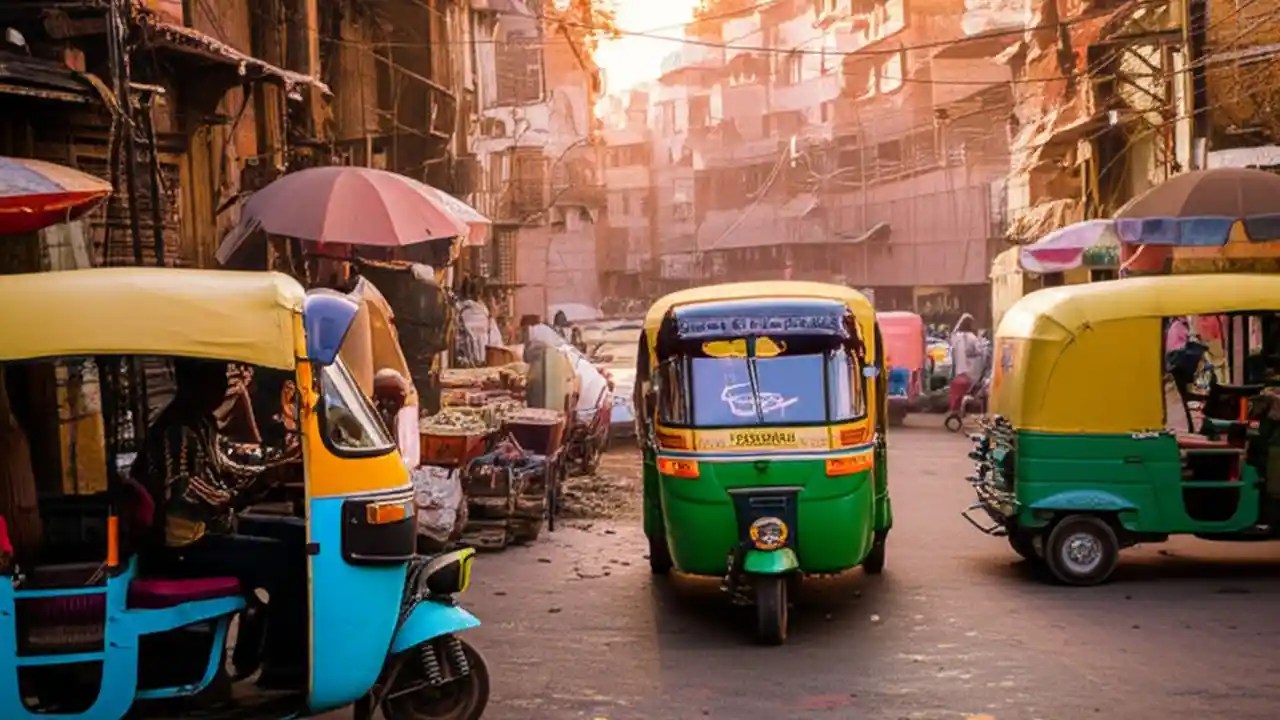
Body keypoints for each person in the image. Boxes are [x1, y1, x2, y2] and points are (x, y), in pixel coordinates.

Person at [132, 358, 305, 687]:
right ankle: (284, 666)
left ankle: (265, 651)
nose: (222, 387)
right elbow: (187, 493)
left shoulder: (199, 423)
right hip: (185, 546)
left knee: (300, 537)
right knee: (288, 560)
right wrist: (244, 490)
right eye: (215, 380)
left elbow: (230, 461)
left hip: (211, 528)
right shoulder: (177, 431)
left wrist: (275, 464)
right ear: (195, 384)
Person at [949, 314, 984, 414]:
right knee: (970, 388)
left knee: (959, 388)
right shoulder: (972, 337)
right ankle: (965, 408)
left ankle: (957, 408)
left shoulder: (957, 337)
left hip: (959, 367)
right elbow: (979, 351)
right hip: (972, 367)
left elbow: (952, 349)